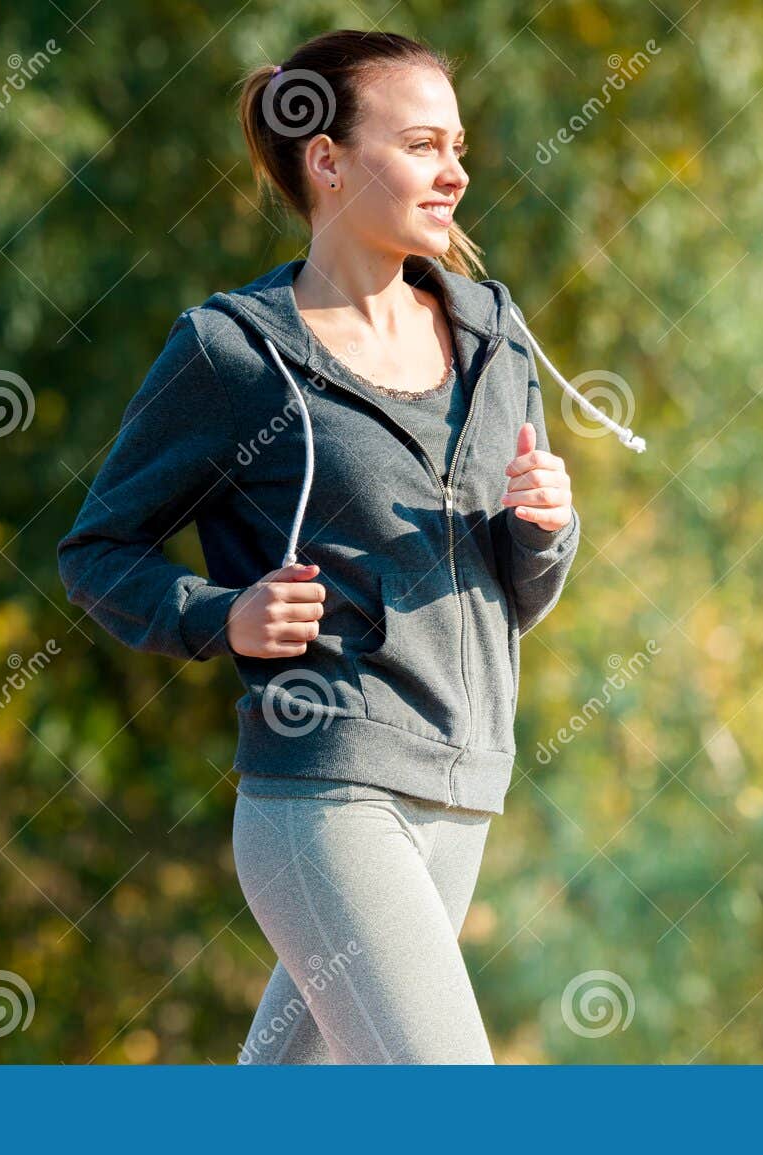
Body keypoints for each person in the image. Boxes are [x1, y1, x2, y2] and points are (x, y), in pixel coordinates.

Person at [57, 29, 584, 1064]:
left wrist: (547, 529)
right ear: (328, 158)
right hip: (325, 793)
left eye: (459, 145)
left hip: (464, 787)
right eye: (424, 143)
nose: (456, 171)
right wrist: (222, 616)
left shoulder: (495, 336)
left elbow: (519, 597)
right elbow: (99, 549)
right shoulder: (233, 352)